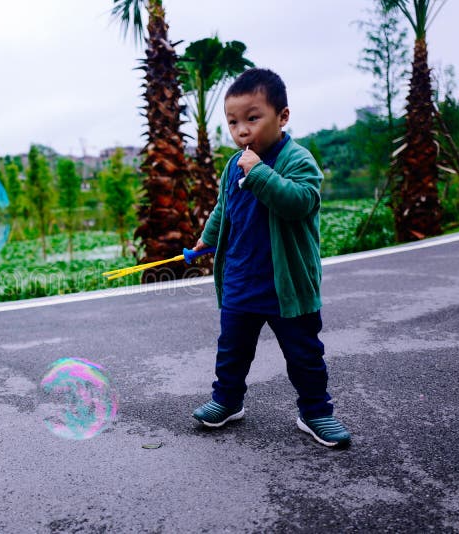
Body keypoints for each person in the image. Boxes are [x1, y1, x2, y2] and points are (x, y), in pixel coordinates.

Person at [191, 68, 351, 448]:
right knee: (232, 349)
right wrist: (206, 238)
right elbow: (223, 208)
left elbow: (298, 203)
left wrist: (260, 172)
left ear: (283, 117)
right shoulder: (234, 164)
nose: (241, 130)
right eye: (232, 122)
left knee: (304, 354)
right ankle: (227, 401)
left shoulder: (298, 160)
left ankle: (316, 412)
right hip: (242, 279)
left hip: (288, 284)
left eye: (252, 118)